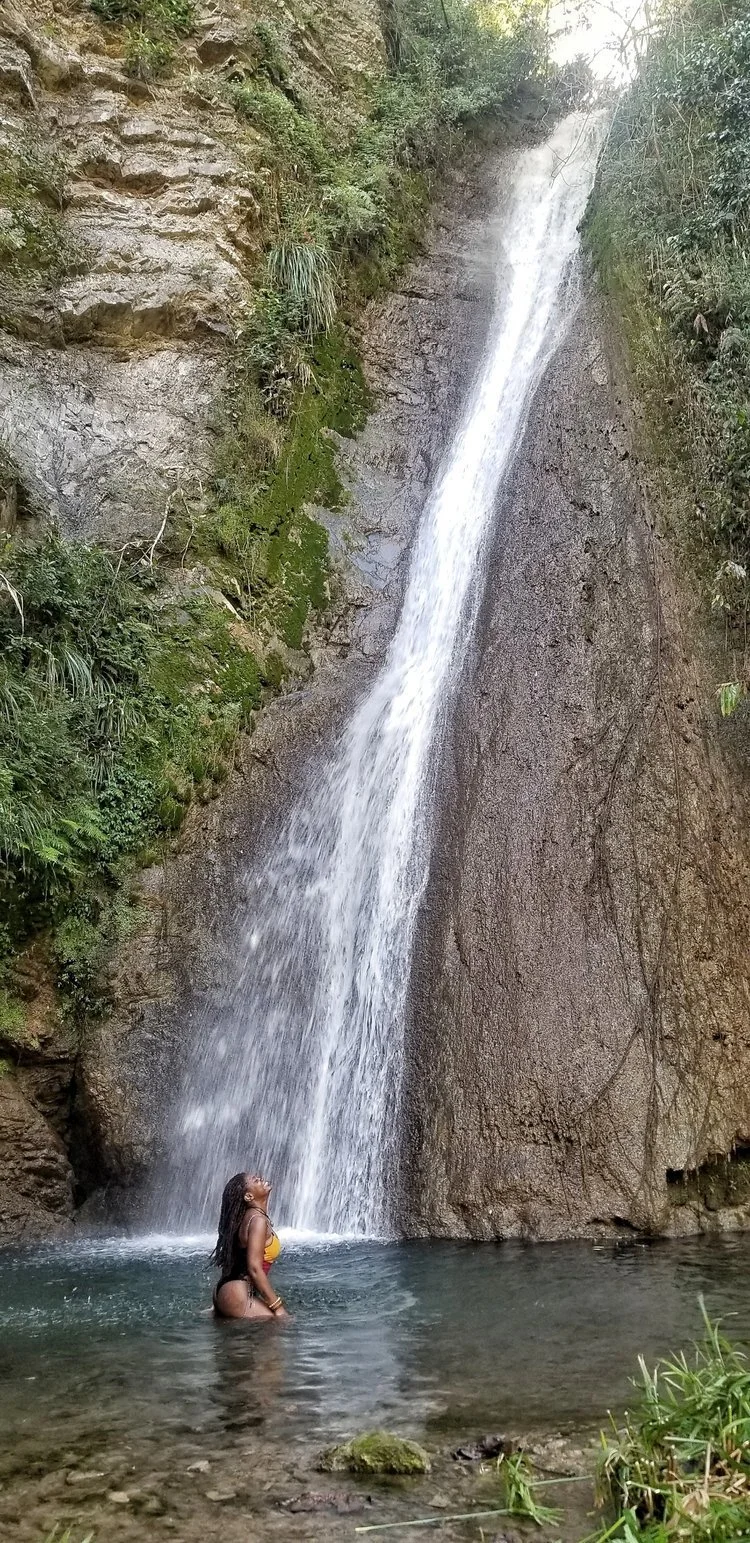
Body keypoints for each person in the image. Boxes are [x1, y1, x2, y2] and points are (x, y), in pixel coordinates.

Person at [211, 1171, 289, 1321]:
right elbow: (254, 1268)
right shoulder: (257, 1220)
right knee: (280, 1325)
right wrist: (278, 1307)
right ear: (248, 1196)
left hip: (228, 1291)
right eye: (255, 1180)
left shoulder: (247, 1217)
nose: (260, 1179)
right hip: (237, 1294)